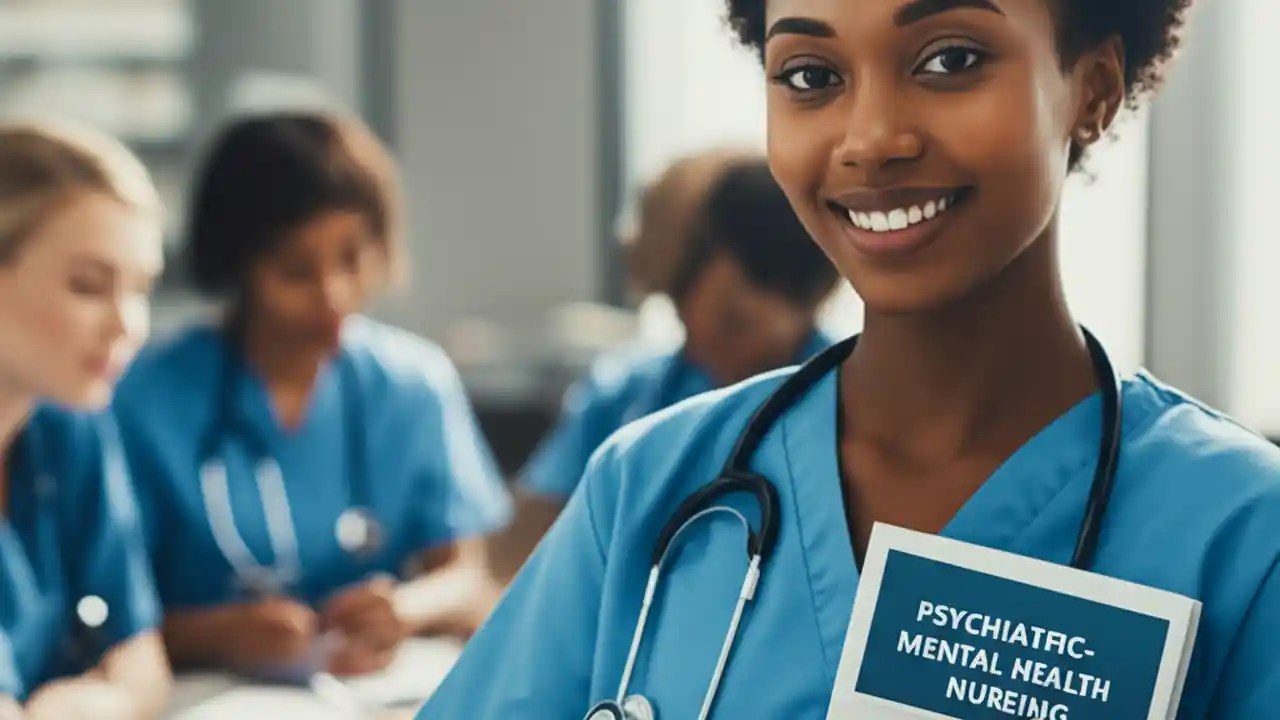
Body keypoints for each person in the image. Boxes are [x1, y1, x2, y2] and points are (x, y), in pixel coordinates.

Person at [417, 0, 1280, 717]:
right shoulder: (653, 485)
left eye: (949, 60)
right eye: (811, 77)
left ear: (1092, 89)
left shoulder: (1239, 531)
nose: (870, 138)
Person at [112, 111, 512, 679]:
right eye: (296, 269)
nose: (332, 293)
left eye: (353, 257)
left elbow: (468, 580)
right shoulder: (146, 399)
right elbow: (102, 614)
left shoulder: (411, 385)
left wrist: (404, 608)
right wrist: (222, 633)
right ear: (238, 266)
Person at [491, 152, 839, 580]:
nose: (701, 338)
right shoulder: (626, 396)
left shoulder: (852, 405)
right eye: (681, 308)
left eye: (736, 323)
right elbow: (520, 553)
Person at [0, 122, 169, 719]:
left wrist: (102, 701)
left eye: (142, 289)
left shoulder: (67, 426)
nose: (127, 325)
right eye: (89, 286)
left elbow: (141, 656)